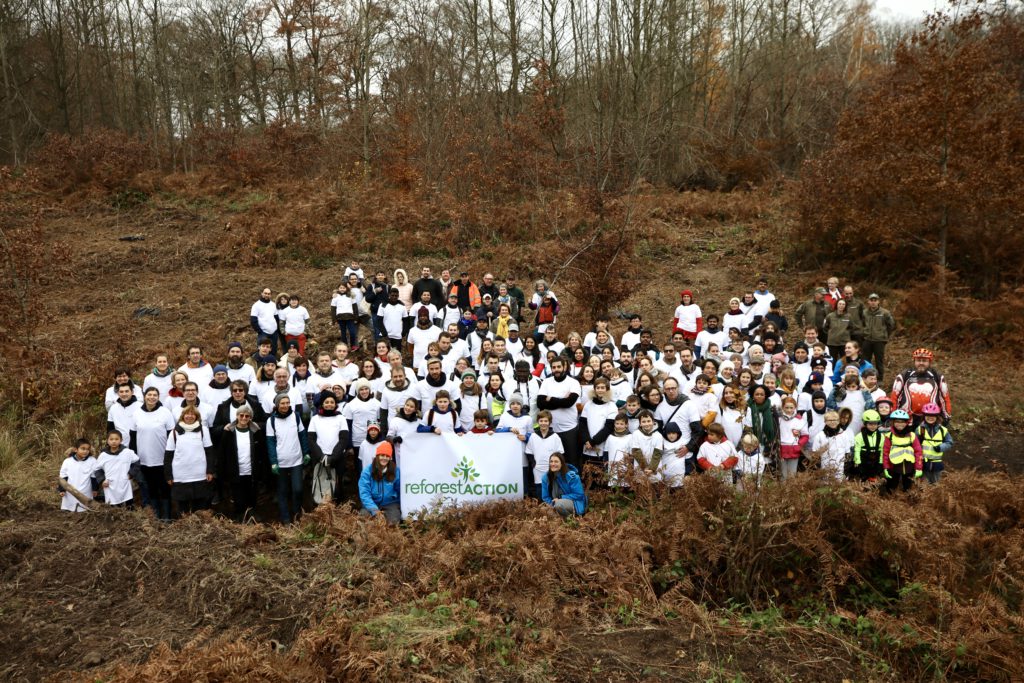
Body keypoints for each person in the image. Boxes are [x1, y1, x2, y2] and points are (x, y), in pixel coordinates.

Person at [164, 406, 216, 516]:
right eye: (187, 414)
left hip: (199, 475)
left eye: (193, 414)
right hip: (180, 475)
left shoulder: (203, 430)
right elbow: (168, 455)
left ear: (197, 417)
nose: (189, 416)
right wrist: (168, 475)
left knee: (200, 507)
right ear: (182, 416)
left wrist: (210, 471)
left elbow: (209, 452)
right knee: (183, 509)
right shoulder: (174, 432)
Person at [134, 387, 177, 519]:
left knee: (164, 488)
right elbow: (132, 435)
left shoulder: (165, 412)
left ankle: (167, 517)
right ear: (144, 396)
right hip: (144, 459)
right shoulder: (137, 413)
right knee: (151, 489)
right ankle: (155, 516)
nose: (152, 397)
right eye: (149, 394)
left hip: (162, 459)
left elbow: (172, 435)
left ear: (158, 397)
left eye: (155, 395)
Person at [266, 393, 309, 523]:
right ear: (277, 405)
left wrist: (306, 453)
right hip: (281, 462)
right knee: (282, 491)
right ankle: (285, 518)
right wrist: (273, 462)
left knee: (298, 489)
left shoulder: (295, 417)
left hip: (296, 460)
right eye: (282, 403)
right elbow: (270, 442)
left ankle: (296, 514)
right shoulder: (271, 421)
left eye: (287, 403)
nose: (285, 405)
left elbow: (302, 435)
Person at [218, 404, 264, 521]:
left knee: (252, 496)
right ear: (237, 416)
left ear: (250, 418)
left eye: (247, 416)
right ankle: (239, 518)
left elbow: (260, 452)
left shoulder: (255, 431)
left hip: (251, 471)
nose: (244, 418)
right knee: (238, 498)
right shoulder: (229, 431)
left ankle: (252, 517)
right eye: (241, 415)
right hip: (235, 471)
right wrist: (222, 471)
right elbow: (222, 453)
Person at [538, 357, 582, 469]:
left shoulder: (573, 382)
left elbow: (569, 403)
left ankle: (572, 486)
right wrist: (562, 400)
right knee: (552, 463)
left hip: (569, 429)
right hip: (551, 429)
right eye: (554, 367)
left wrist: (550, 399)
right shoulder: (546, 382)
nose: (556, 369)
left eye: (559, 367)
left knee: (571, 462)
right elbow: (540, 403)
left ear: (564, 367)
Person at [890, 348, 951, 424]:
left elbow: (945, 398)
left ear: (929, 362)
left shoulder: (937, 376)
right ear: (914, 361)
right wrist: (893, 414)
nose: (921, 363)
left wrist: (946, 415)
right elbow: (894, 396)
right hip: (907, 417)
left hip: (930, 416)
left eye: (924, 361)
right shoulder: (905, 374)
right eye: (918, 360)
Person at [308, 392, 351, 500]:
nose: (329, 404)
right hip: (320, 458)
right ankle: (321, 506)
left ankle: (338, 508)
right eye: (326, 402)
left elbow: (343, 438)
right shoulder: (315, 419)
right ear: (322, 404)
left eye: (332, 402)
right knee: (320, 482)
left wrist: (333, 457)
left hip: (337, 457)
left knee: (338, 483)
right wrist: (321, 456)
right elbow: (311, 440)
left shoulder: (340, 418)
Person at [95, 430, 140, 509]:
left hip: (124, 484)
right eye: (111, 439)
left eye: (116, 439)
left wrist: (131, 474)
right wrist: (102, 480)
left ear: (121, 440)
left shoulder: (127, 452)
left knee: (129, 506)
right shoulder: (103, 455)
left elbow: (137, 462)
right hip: (110, 486)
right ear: (107, 440)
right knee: (113, 509)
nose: (114, 441)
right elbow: (97, 469)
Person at [359, 441, 401, 524]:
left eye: (387, 456)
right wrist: (375, 511)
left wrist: (400, 505)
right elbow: (364, 494)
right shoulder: (367, 471)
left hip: (390, 503)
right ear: (377, 456)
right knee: (364, 519)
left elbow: (400, 490)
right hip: (371, 503)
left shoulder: (395, 471)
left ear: (390, 458)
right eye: (382, 455)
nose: (384, 458)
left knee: (394, 522)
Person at [882, 409, 923, 493]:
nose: (900, 424)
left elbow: (918, 452)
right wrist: (886, 467)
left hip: (909, 467)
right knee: (891, 487)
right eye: (897, 421)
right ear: (893, 422)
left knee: (908, 487)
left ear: (906, 423)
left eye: (902, 422)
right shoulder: (889, 436)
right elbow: (885, 453)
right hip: (893, 467)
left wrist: (918, 468)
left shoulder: (912, 435)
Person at [859, 294, 896, 381]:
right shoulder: (864, 312)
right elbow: (862, 324)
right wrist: (863, 333)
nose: (873, 302)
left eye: (875, 300)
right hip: (867, 340)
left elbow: (891, 325)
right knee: (865, 360)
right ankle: (865, 378)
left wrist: (885, 335)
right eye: (871, 300)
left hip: (879, 340)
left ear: (878, 301)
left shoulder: (885, 313)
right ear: (868, 301)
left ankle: (879, 379)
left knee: (879, 361)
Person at [810, 410, 853, 481]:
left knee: (839, 488)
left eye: (835, 420)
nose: (832, 422)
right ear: (825, 421)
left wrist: (846, 468)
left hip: (840, 468)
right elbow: (815, 454)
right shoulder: (820, 436)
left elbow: (847, 452)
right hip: (825, 468)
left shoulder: (844, 434)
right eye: (830, 420)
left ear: (838, 421)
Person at [541, 452, 587, 518]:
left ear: (562, 464)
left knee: (559, 504)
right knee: (543, 509)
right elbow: (545, 497)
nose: (553, 464)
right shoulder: (546, 477)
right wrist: (552, 504)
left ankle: (571, 519)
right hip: (554, 502)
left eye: (556, 461)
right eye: (551, 461)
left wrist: (560, 498)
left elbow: (579, 495)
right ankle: (560, 518)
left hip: (574, 502)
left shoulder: (571, 476)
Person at [916, 402, 953, 484]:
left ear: (937, 417)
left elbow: (949, 442)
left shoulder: (943, 430)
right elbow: (915, 445)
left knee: (936, 484)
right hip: (923, 463)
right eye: (928, 415)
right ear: (924, 416)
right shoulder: (920, 429)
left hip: (937, 463)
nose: (930, 418)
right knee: (924, 485)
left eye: (933, 416)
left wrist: (941, 447)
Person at [58, 439, 98, 512]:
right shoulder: (67, 461)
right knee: (69, 511)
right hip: (70, 493)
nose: (85, 451)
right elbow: (63, 477)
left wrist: (95, 489)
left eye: (87, 449)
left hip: (86, 492)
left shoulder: (92, 461)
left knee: (85, 511)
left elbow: (94, 476)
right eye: (83, 448)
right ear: (75, 449)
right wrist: (62, 490)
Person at [777, 396, 808, 480]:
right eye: (786, 407)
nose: (789, 410)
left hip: (794, 449)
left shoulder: (799, 420)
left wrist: (799, 445)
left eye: (791, 407)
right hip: (781, 448)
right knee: (783, 475)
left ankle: (791, 492)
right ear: (783, 407)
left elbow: (805, 435)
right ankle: (782, 492)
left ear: (795, 407)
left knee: (792, 474)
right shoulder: (778, 419)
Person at [853, 409, 884, 481]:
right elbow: (857, 449)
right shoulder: (859, 436)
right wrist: (857, 461)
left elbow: (882, 449)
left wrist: (881, 462)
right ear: (865, 423)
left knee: (874, 479)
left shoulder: (881, 436)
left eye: (875, 424)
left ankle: (873, 491)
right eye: (870, 424)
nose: (873, 426)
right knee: (864, 478)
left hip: (876, 460)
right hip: (864, 460)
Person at [251, 287, 281, 355]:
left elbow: (276, 318)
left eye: (269, 294)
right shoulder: (256, 305)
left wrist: (277, 330)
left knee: (273, 350)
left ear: (270, 295)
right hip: (263, 333)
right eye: (265, 293)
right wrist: (260, 331)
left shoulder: (273, 305)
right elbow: (253, 320)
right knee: (263, 351)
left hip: (274, 332)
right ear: (262, 293)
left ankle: (273, 363)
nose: (267, 295)